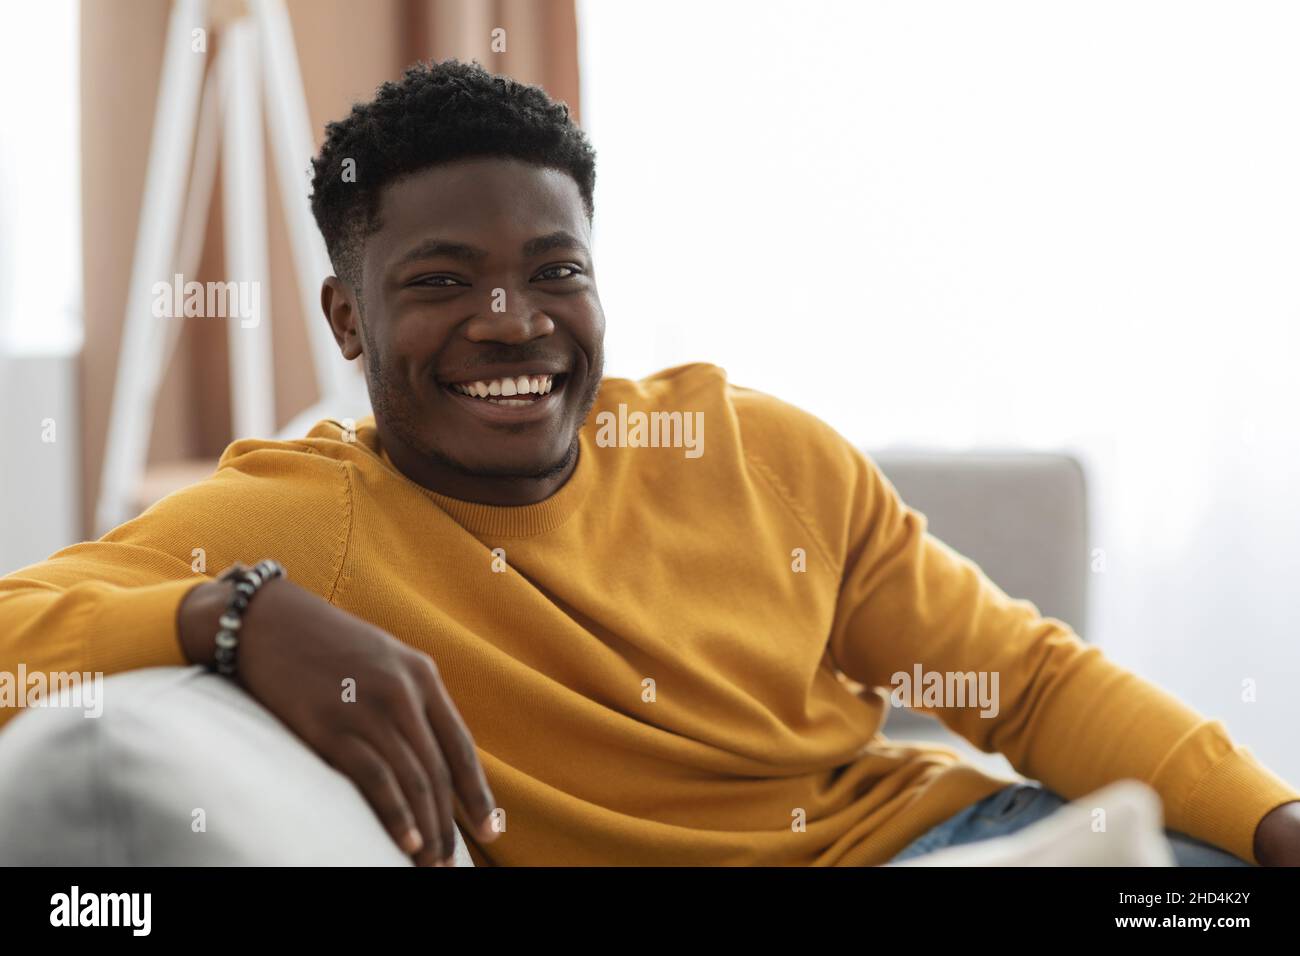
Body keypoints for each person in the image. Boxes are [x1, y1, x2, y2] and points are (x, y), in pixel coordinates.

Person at [2, 59, 1297, 867]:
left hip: (946, 834)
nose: (511, 321)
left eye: (553, 273)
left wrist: (1269, 820)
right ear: (349, 320)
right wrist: (234, 615)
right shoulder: (311, 515)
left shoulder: (755, 450)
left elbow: (1025, 681)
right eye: (444, 282)